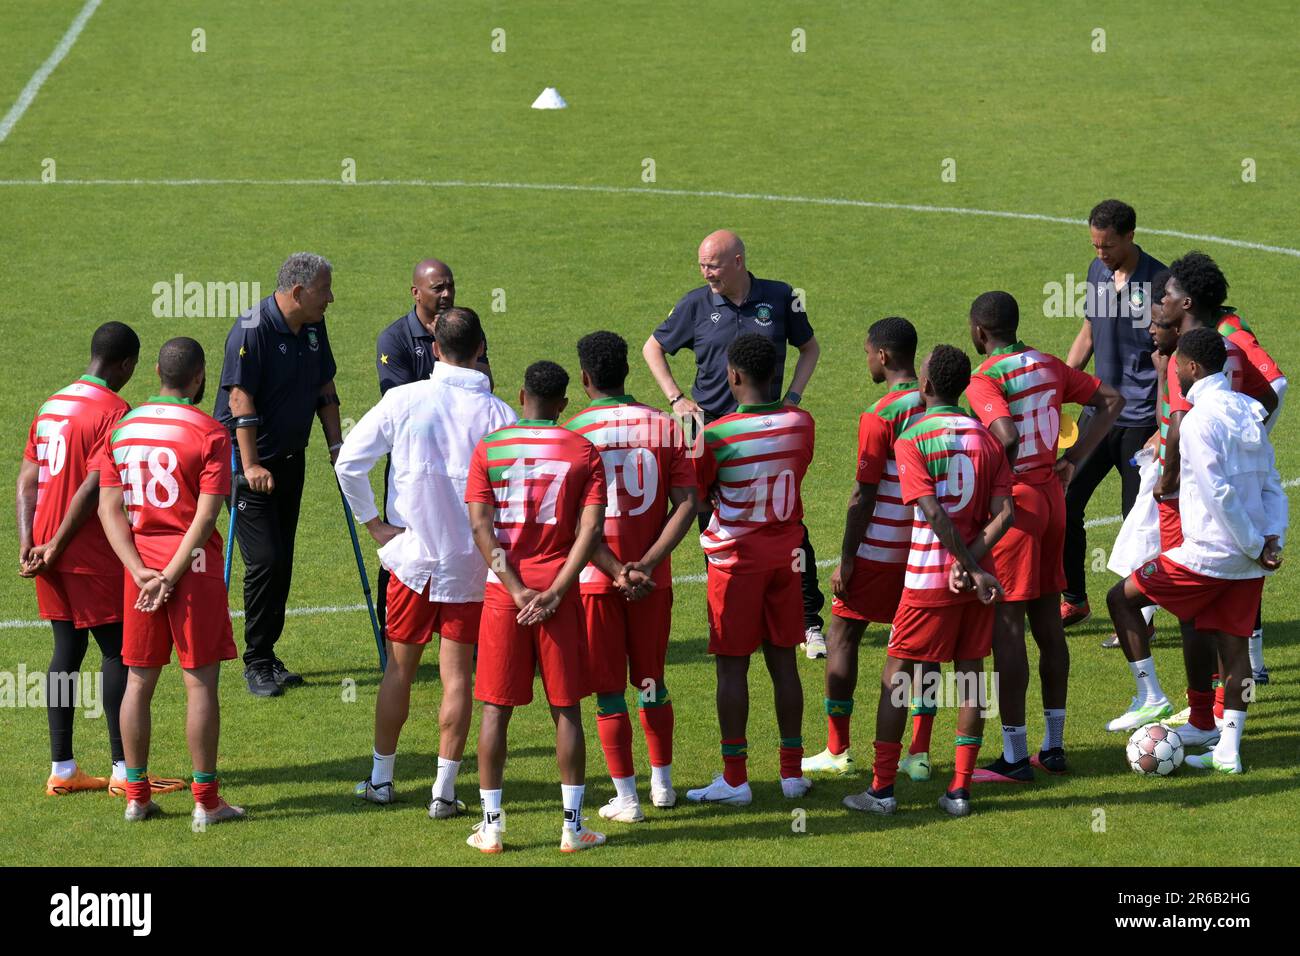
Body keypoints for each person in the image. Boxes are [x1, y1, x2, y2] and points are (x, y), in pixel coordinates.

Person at [338, 308, 515, 817]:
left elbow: (349, 460)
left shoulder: (404, 399)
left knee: (399, 670)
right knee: (458, 675)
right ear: (480, 348)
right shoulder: (501, 415)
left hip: (411, 561)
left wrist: (373, 523)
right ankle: (444, 791)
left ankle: (381, 780)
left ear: (436, 348)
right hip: (472, 566)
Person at [1106, 257, 1275, 733]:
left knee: (1139, 598)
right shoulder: (1223, 349)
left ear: (1188, 303)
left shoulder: (1190, 358)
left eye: (1166, 297)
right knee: (1215, 624)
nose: (1159, 302)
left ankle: (1162, 701)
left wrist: (1167, 480)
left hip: (1182, 504)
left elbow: (1182, 424)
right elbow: (1271, 395)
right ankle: (1216, 721)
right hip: (1231, 518)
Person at [843, 345, 1013, 818]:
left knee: (896, 678)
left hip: (927, 580)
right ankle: (959, 791)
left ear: (928, 387)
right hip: (978, 585)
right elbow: (1006, 513)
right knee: (972, 678)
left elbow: (933, 511)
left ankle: (881, 791)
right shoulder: (987, 440)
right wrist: (977, 565)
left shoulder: (913, 439)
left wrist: (963, 562)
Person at [642, 230, 827, 657]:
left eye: (714, 265)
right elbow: (653, 348)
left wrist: (793, 397)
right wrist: (675, 397)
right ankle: (727, 617)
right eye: (702, 264)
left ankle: (808, 622)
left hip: (764, 426)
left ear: (739, 261)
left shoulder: (780, 297)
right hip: (706, 428)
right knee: (710, 522)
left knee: (783, 516)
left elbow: (810, 348)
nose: (706, 272)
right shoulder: (695, 303)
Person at [17, 322, 183, 798]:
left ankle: (63, 769)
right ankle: (121, 770)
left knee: (66, 652)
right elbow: (94, 488)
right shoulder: (113, 410)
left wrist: (31, 543)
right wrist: (61, 544)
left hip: (45, 548)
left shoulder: (53, 402)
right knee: (119, 652)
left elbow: (27, 481)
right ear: (127, 365)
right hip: (86, 552)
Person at [965, 292, 1125, 783]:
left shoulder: (986, 378)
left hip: (1017, 508)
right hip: (1053, 500)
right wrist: (1074, 461)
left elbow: (1006, 434)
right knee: (1048, 625)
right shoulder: (1048, 363)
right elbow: (1112, 399)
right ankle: (1052, 748)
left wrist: (998, 485)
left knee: (1008, 629)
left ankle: (1014, 758)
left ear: (978, 331)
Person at [96, 338, 244, 823]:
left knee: (138, 681)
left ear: (157, 370)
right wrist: (170, 575)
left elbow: (108, 509)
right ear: (199, 377)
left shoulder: (122, 428)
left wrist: (141, 572)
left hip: (139, 572)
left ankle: (136, 796)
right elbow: (204, 519)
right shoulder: (210, 432)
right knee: (199, 684)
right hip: (192, 570)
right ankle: (206, 802)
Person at [464, 361, 607, 853]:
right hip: (559, 597)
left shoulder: (491, 448)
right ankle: (572, 828)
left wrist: (515, 586)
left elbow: (482, 528)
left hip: (507, 594)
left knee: (495, 709)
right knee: (566, 709)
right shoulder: (583, 451)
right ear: (564, 404)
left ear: (520, 394)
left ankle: (493, 827)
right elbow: (589, 533)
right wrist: (558, 590)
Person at [563, 332, 699, 820]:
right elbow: (687, 504)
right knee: (650, 681)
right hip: (652, 582)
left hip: (597, 582)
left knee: (607, 689)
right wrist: (648, 563)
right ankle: (663, 785)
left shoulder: (575, 431)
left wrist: (617, 568)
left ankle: (627, 797)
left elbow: (577, 520)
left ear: (584, 377)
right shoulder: (664, 426)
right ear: (627, 371)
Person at [685, 334, 816, 806]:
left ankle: (736, 778)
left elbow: (700, 497)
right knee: (784, 662)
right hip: (786, 556)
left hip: (735, 562)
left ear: (734, 376)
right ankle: (791, 772)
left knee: (732, 668)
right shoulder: (802, 423)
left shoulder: (716, 436)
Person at [801, 317, 932, 780]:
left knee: (842, 635)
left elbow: (864, 493)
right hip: (928, 551)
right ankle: (918, 753)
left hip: (880, 548)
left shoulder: (881, 415)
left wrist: (848, 556)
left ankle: (838, 750)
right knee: (923, 648)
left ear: (883, 356)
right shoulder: (943, 404)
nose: (867, 361)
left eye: (866, 353)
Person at [213, 252, 344, 697]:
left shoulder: (312, 325)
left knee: (282, 559)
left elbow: (325, 385)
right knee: (265, 560)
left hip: (291, 459)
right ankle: (255, 662)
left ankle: (268, 653)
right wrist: (250, 466)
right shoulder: (251, 329)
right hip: (249, 465)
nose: (331, 298)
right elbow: (239, 401)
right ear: (298, 292)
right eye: (324, 289)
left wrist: (335, 445)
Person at [374, 260, 492, 639]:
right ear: (416, 292)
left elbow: (485, 381)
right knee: (406, 542)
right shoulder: (394, 338)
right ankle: (391, 628)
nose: (446, 295)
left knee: (465, 535)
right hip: (415, 463)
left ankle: (464, 632)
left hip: (462, 454)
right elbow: (398, 399)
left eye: (450, 287)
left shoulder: (464, 328)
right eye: (438, 288)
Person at [1061, 200, 1166, 627]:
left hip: (1141, 417)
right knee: (1065, 498)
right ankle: (1074, 598)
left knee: (1135, 519)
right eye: (1095, 245)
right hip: (1099, 409)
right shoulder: (1096, 271)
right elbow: (1089, 330)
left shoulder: (1160, 282)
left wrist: (1163, 424)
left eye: (1107, 246)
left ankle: (1139, 618)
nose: (1100, 253)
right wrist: (1063, 385)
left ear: (1130, 236)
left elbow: (1167, 356)